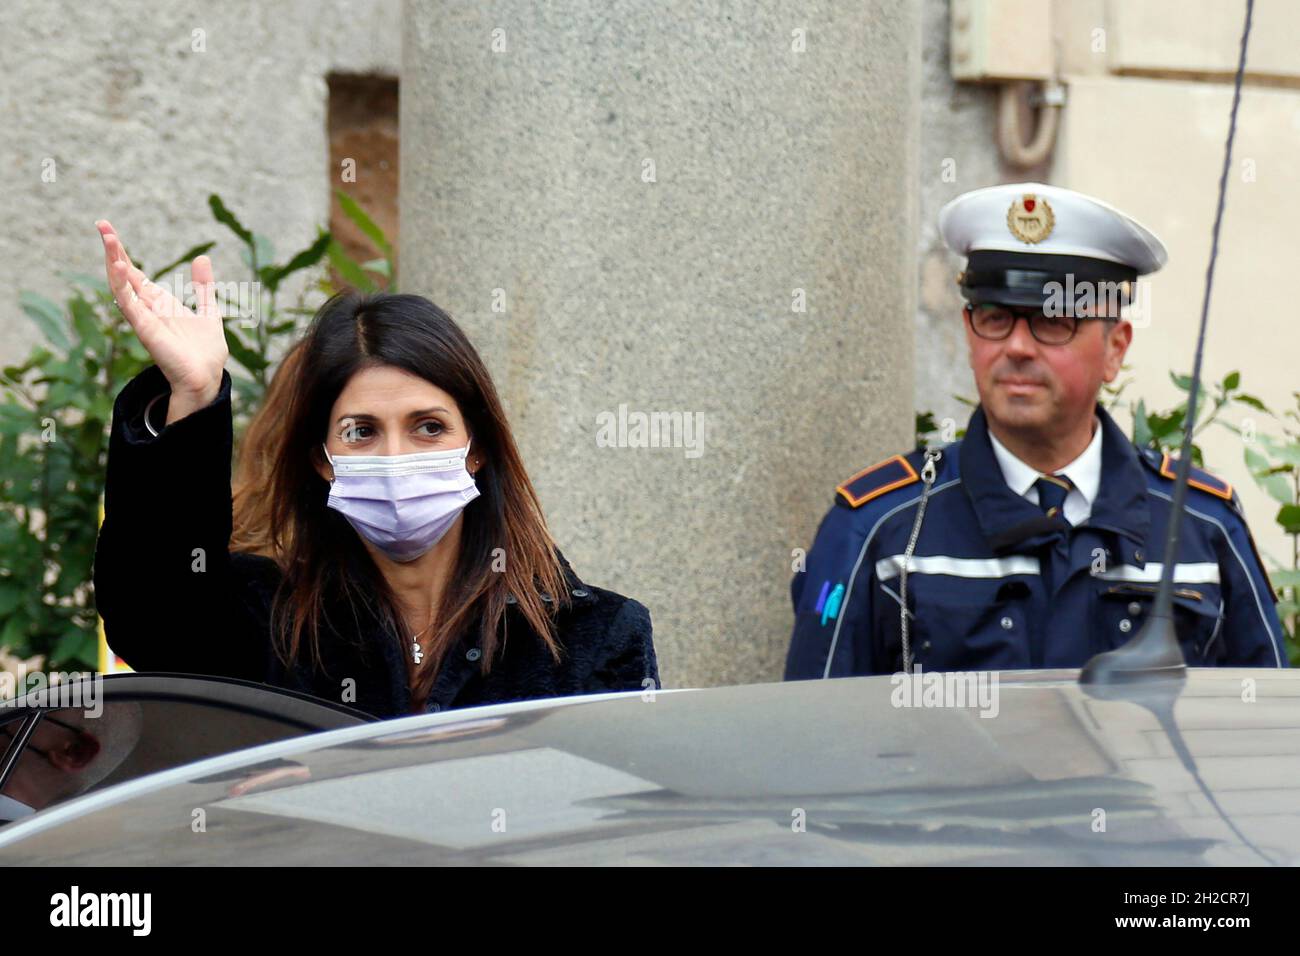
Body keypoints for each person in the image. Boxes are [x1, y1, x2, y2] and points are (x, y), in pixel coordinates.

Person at [91, 220, 659, 719]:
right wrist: (194, 394)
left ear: (478, 447)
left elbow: (614, 823)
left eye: (429, 427)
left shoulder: (594, 635)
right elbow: (153, 616)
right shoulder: (272, 623)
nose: (395, 457)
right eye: (361, 431)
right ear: (322, 460)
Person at [785, 182, 1288, 679]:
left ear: (1115, 348)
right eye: (997, 318)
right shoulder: (882, 529)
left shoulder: (1201, 527)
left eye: (1053, 321)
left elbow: (1265, 737)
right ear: (968, 331)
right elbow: (820, 740)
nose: (1018, 347)